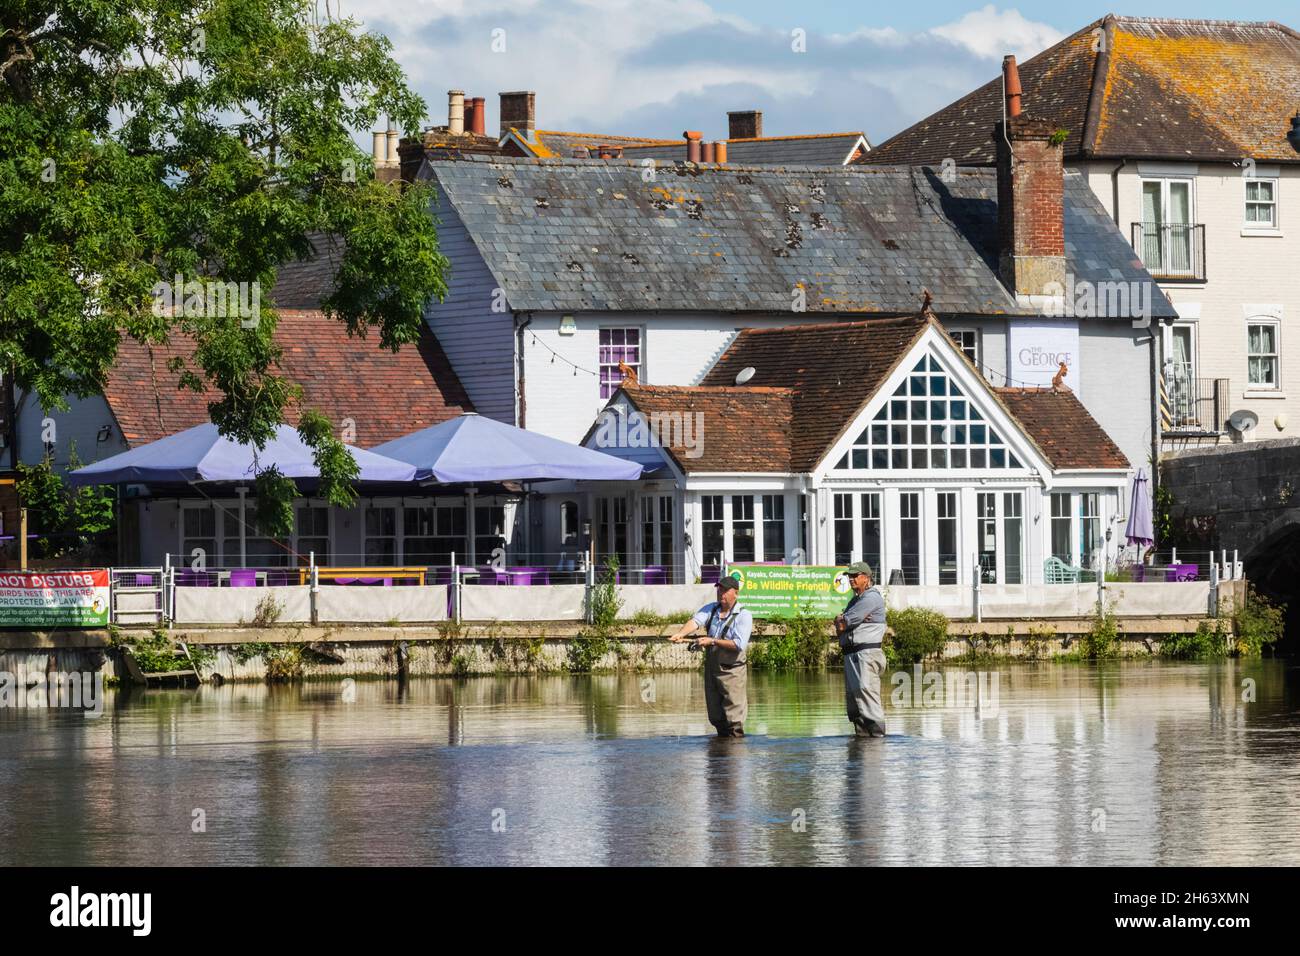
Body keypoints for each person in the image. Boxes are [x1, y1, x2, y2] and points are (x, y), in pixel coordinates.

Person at [668, 575, 752, 737]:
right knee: (716, 716)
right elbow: (695, 621)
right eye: (719, 589)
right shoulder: (711, 609)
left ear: (736, 593)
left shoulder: (744, 615)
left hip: (733, 672)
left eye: (725, 590)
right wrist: (680, 634)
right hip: (712, 670)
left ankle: (734, 754)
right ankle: (720, 754)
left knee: (733, 719)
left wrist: (712, 641)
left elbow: (738, 644)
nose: (721, 593)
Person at [834, 561, 887, 737]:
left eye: (855, 576)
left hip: (866, 655)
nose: (851, 579)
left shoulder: (871, 598)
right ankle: (862, 742)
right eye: (850, 576)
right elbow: (841, 622)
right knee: (855, 702)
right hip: (852, 655)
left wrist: (843, 621)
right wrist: (842, 621)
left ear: (866, 578)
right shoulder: (855, 600)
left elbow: (844, 623)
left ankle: (877, 741)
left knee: (867, 694)